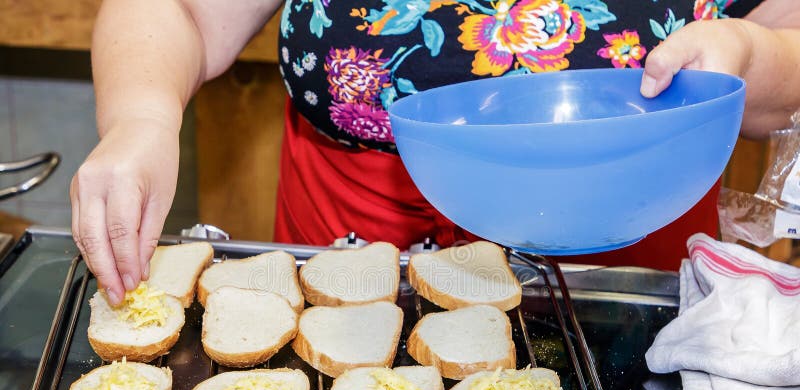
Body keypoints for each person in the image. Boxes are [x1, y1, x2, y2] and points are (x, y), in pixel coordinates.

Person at [71, 0, 800, 305]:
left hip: (628, 283)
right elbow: (181, 11)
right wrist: (140, 116)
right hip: (354, 270)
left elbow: (786, 52)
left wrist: (749, 50)